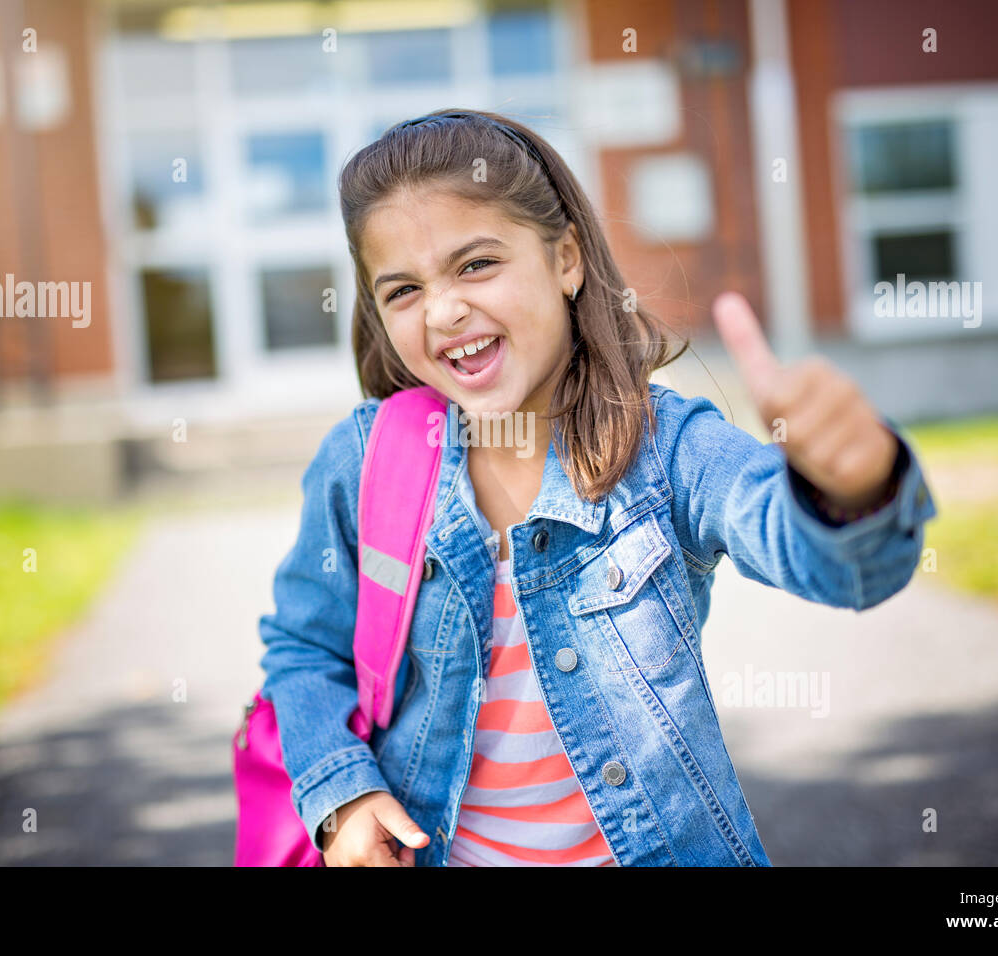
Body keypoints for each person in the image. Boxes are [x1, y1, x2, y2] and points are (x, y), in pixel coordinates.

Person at [257, 108, 938, 866]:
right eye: (403, 291)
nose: (445, 310)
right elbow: (302, 648)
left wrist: (851, 490)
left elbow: (830, 561)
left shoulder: (665, 449)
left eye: (476, 264)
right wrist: (342, 796)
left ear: (567, 259)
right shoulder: (364, 461)